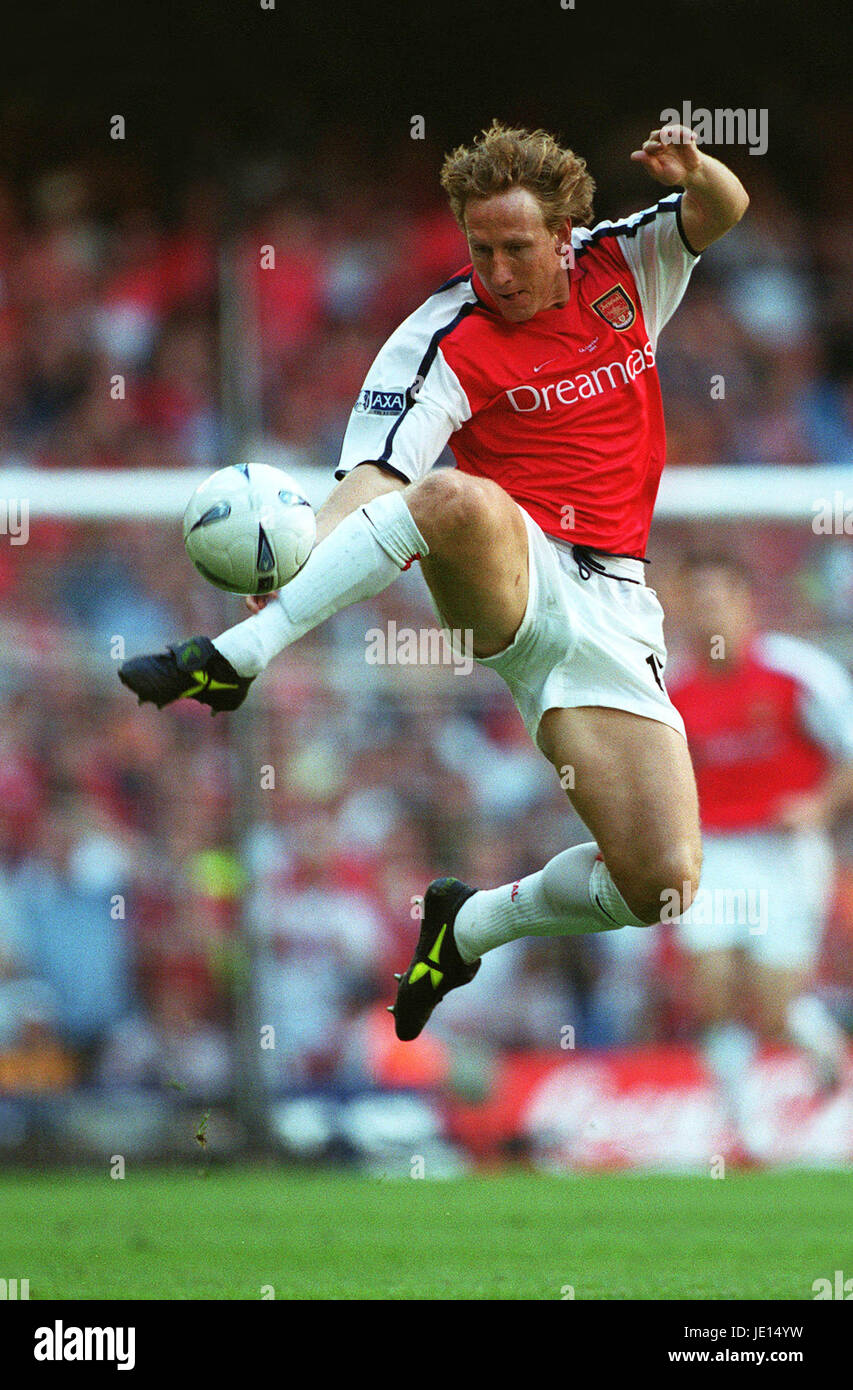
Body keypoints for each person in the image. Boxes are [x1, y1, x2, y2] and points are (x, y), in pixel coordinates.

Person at [119, 119, 749, 1042]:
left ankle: (468, 925)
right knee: (456, 498)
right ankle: (236, 657)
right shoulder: (440, 337)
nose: (496, 269)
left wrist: (701, 167)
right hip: (511, 575)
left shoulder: (627, 266)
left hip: (617, 608)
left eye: (516, 247)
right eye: (479, 248)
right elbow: (376, 478)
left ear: (566, 235)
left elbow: (720, 209)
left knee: (659, 882)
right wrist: (298, 563)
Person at [668, 553, 853, 1158]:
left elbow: (849, 752)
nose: (710, 609)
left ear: (747, 604)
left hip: (785, 852)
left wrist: (819, 806)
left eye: (721, 597)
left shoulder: (797, 673)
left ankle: (822, 1050)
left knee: (774, 1008)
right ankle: (744, 1135)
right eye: (700, 599)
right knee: (713, 988)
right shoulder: (671, 685)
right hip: (713, 851)